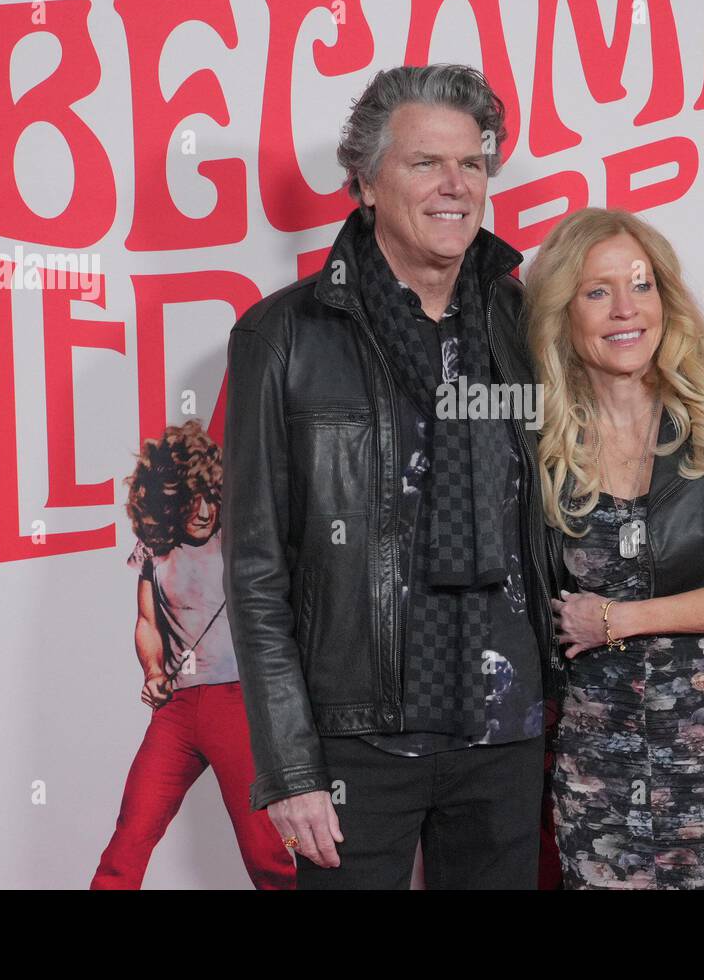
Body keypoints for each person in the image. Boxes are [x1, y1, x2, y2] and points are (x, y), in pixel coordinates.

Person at [220, 64, 562, 890]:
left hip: (505, 731)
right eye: (425, 164)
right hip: (356, 741)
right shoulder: (283, 337)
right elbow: (257, 573)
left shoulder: (527, 324)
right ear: (365, 181)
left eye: (473, 164)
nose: (456, 186)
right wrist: (292, 766)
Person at [524, 207, 704, 890]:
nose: (626, 309)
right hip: (600, 759)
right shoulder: (538, 433)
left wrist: (620, 620)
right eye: (598, 291)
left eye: (642, 285)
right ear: (564, 312)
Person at [91, 420, 295, 889]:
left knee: (269, 855)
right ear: (168, 499)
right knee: (129, 839)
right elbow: (146, 622)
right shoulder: (154, 548)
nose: (203, 511)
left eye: (211, 496)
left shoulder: (239, 537)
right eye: (190, 498)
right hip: (178, 711)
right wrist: (151, 670)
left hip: (237, 705)